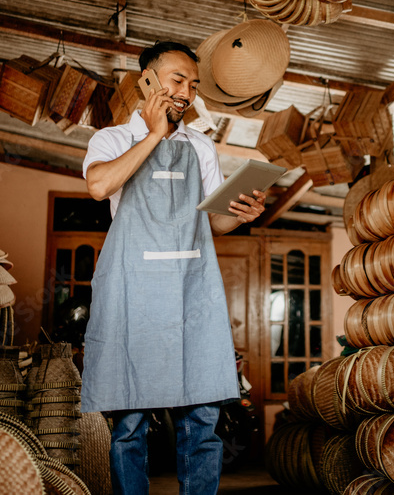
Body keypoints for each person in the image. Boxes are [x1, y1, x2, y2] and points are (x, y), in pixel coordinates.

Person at [80, 41, 266, 495]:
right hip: (134, 295)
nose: (186, 92)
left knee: (201, 420)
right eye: (177, 80)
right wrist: (152, 135)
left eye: (193, 85)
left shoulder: (200, 146)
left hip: (190, 294)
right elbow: (100, 185)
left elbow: (214, 223)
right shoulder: (109, 139)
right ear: (147, 80)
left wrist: (240, 212)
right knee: (130, 421)